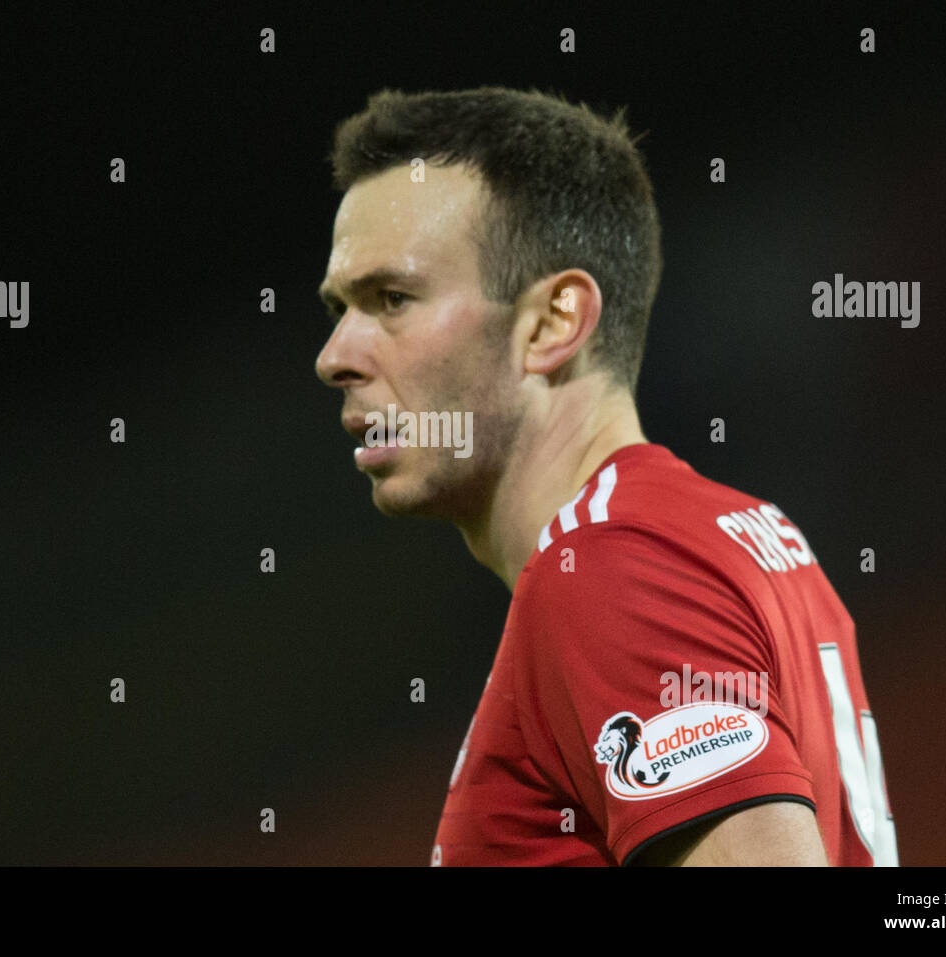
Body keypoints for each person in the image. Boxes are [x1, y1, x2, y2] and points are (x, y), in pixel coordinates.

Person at [315, 86, 897, 866]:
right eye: (337, 309)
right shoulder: (728, 531)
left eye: (391, 298)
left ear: (555, 323)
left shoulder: (611, 568)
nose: (335, 357)